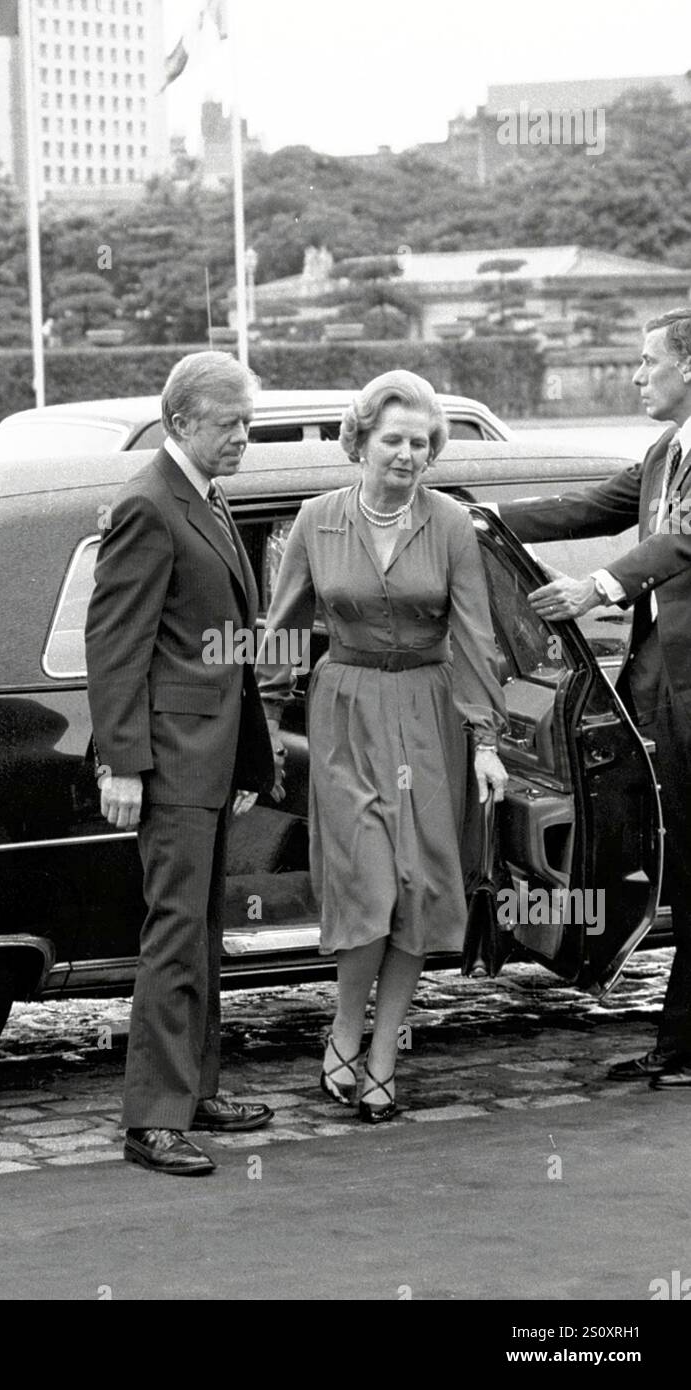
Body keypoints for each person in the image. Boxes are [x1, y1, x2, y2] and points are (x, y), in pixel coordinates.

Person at [258, 370, 508, 1122]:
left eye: (420, 443)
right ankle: (342, 1029)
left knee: (417, 887)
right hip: (346, 713)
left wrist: (486, 740)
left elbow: (473, 635)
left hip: (429, 714)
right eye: (392, 439)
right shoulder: (315, 518)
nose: (406, 454)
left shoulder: (452, 524)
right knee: (366, 881)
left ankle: (386, 1050)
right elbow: (282, 629)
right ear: (360, 440)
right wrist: (264, 726)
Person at [85, 351, 279, 1177]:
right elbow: (115, 644)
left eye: (246, 424)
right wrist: (122, 765)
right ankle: (153, 1119)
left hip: (206, 757)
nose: (242, 438)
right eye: (228, 425)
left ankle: (195, 1088)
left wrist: (243, 758)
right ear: (179, 423)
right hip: (167, 763)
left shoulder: (205, 496)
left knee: (202, 935)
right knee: (172, 937)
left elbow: (221, 649)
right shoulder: (148, 506)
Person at [499, 307, 691, 1088]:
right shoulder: (663, 453)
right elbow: (588, 507)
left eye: (648, 361)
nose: (637, 375)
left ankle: (679, 1047)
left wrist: (599, 586)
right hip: (661, 690)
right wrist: (463, 519)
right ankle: (679, 1048)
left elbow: (681, 539)